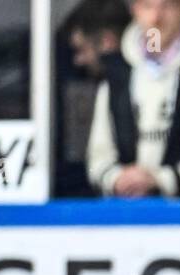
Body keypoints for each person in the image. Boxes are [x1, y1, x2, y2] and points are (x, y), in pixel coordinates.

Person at [87, 0, 180, 197]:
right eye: (147, 6)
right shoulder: (117, 75)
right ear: (135, 10)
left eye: (166, 6)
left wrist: (160, 181)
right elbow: (98, 157)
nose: (156, 18)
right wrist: (119, 179)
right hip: (127, 217)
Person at [57, 0, 131, 196]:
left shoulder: (133, 90)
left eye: (81, 50)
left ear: (107, 42)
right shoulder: (88, 86)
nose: (77, 61)